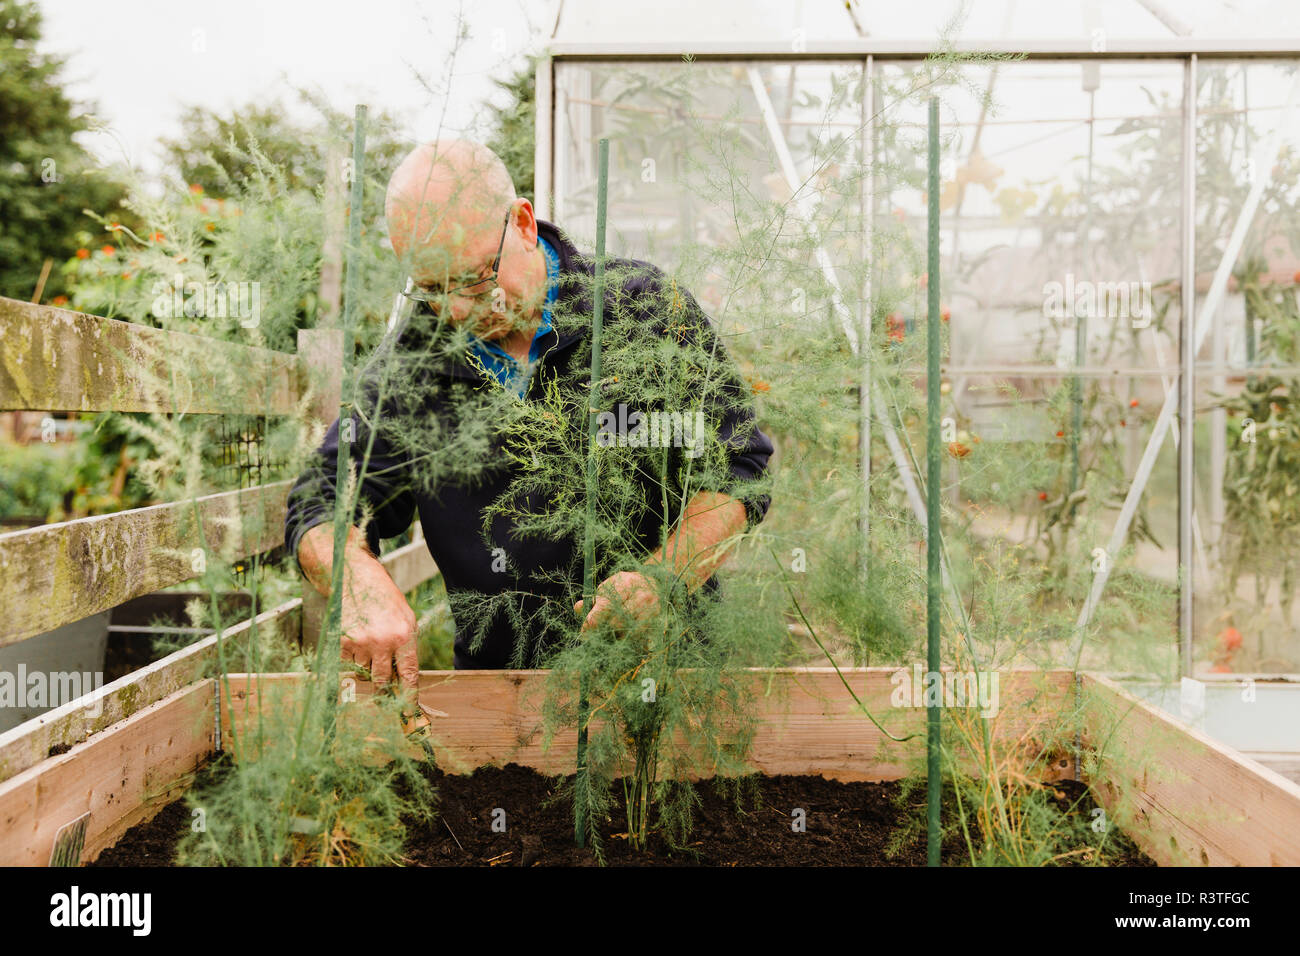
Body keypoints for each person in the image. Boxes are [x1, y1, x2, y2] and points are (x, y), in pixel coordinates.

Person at [284, 139, 773, 691]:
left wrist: (662, 577)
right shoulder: (412, 365)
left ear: (521, 223)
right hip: (501, 697)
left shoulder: (645, 311)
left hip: (669, 683)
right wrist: (360, 586)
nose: (459, 311)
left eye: (473, 279)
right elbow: (321, 498)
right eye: (430, 290)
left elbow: (737, 469)